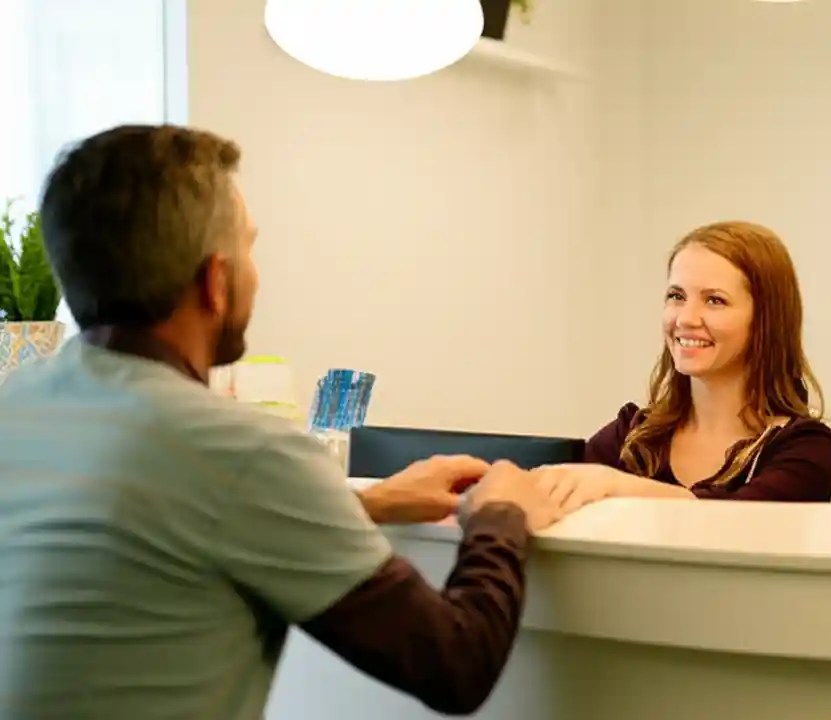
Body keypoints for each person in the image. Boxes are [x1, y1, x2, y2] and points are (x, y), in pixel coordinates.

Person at [0, 124, 564, 720]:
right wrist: (503, 515)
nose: (257, 272)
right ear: (216, 283)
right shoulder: (238, 450)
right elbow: (456, 663)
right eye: (249, 247)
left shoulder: (19, 402)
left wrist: (367, 505)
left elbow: (150, 530)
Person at [533, 221, 831, 512]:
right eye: (676, 296)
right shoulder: (632, 436)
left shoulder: (808, 450)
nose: (685, 319)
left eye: (714, 301)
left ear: (766, 320)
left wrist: (615, 486)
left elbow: (735, 523)